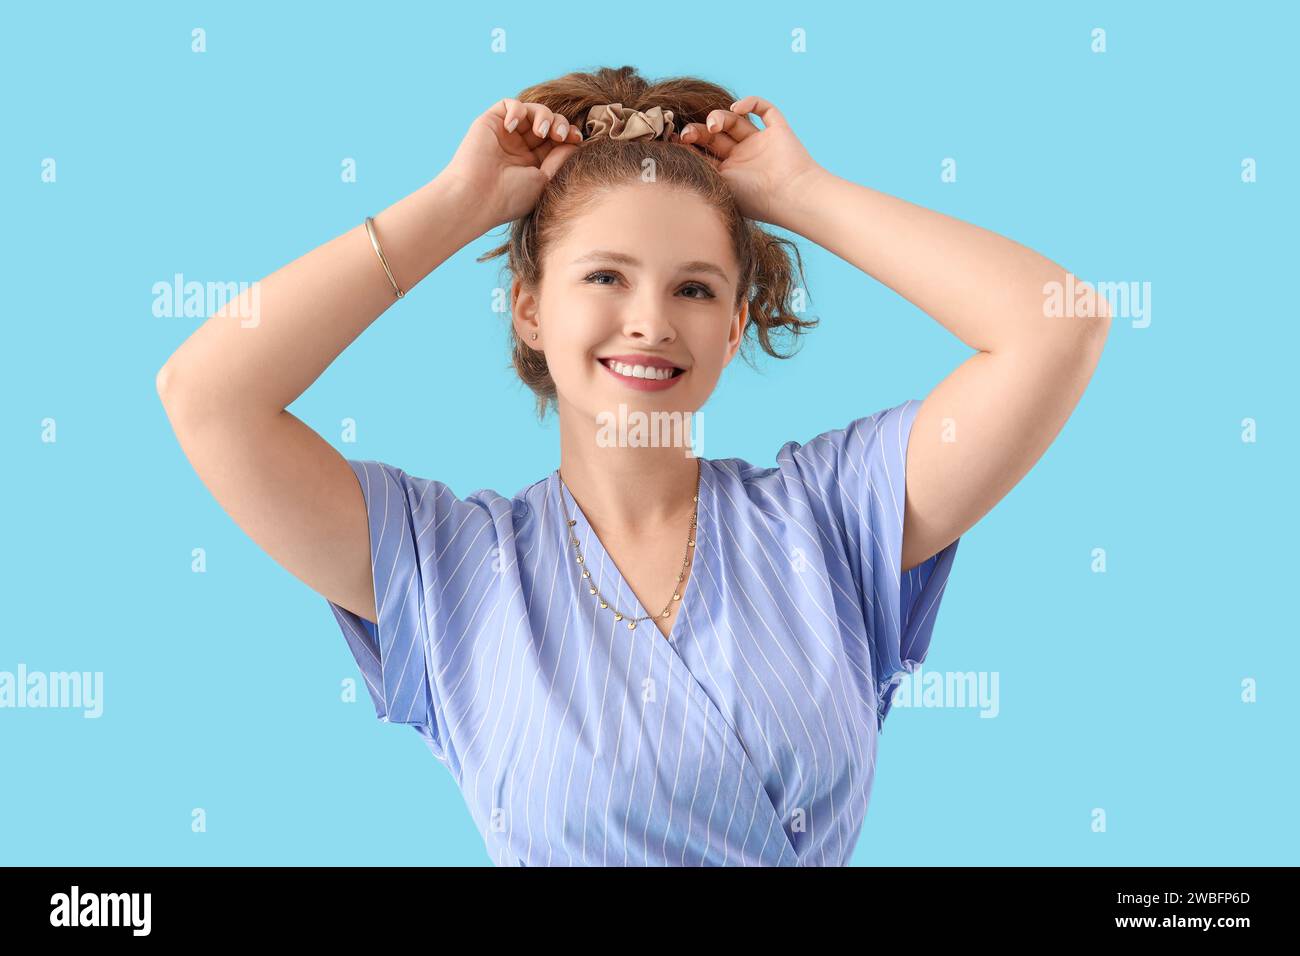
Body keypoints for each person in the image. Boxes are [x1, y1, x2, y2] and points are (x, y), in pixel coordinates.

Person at [156, 65, 1110, 866]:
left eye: (694, 287)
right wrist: (456, 206)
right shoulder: (445, 569)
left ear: (736, 326)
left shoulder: (831, 517)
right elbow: (208, 397)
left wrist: (801, 194)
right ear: (530, 309)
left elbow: (1058, 321)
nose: (651, 320)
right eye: (605, 276)